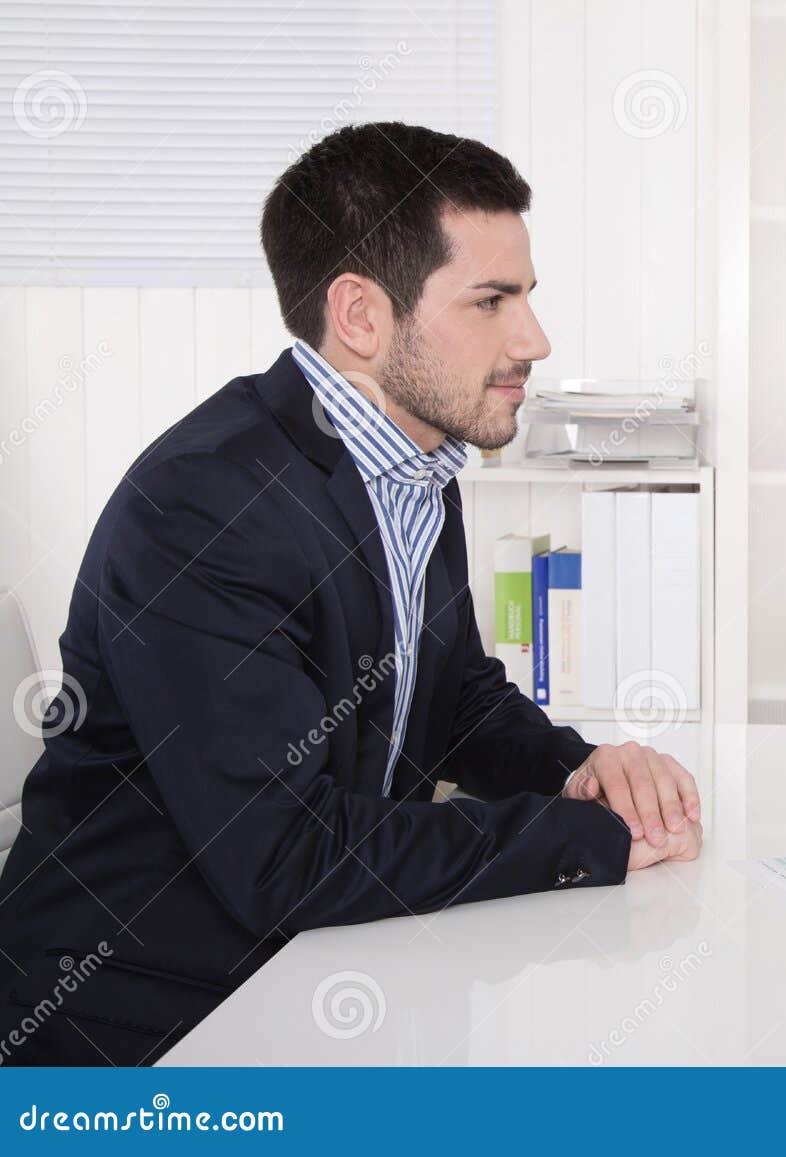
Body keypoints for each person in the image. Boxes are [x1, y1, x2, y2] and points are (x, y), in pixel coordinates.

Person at [0, 122, 700, 1066]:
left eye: (527, 296)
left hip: (322, 975)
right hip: (145, 1029)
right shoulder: (206, 502)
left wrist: (580, 770)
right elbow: (282, 854)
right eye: (491, 301)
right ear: (362, 316)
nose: (534, 338)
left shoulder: (416, 467)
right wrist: (580, 838)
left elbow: (452, 696)